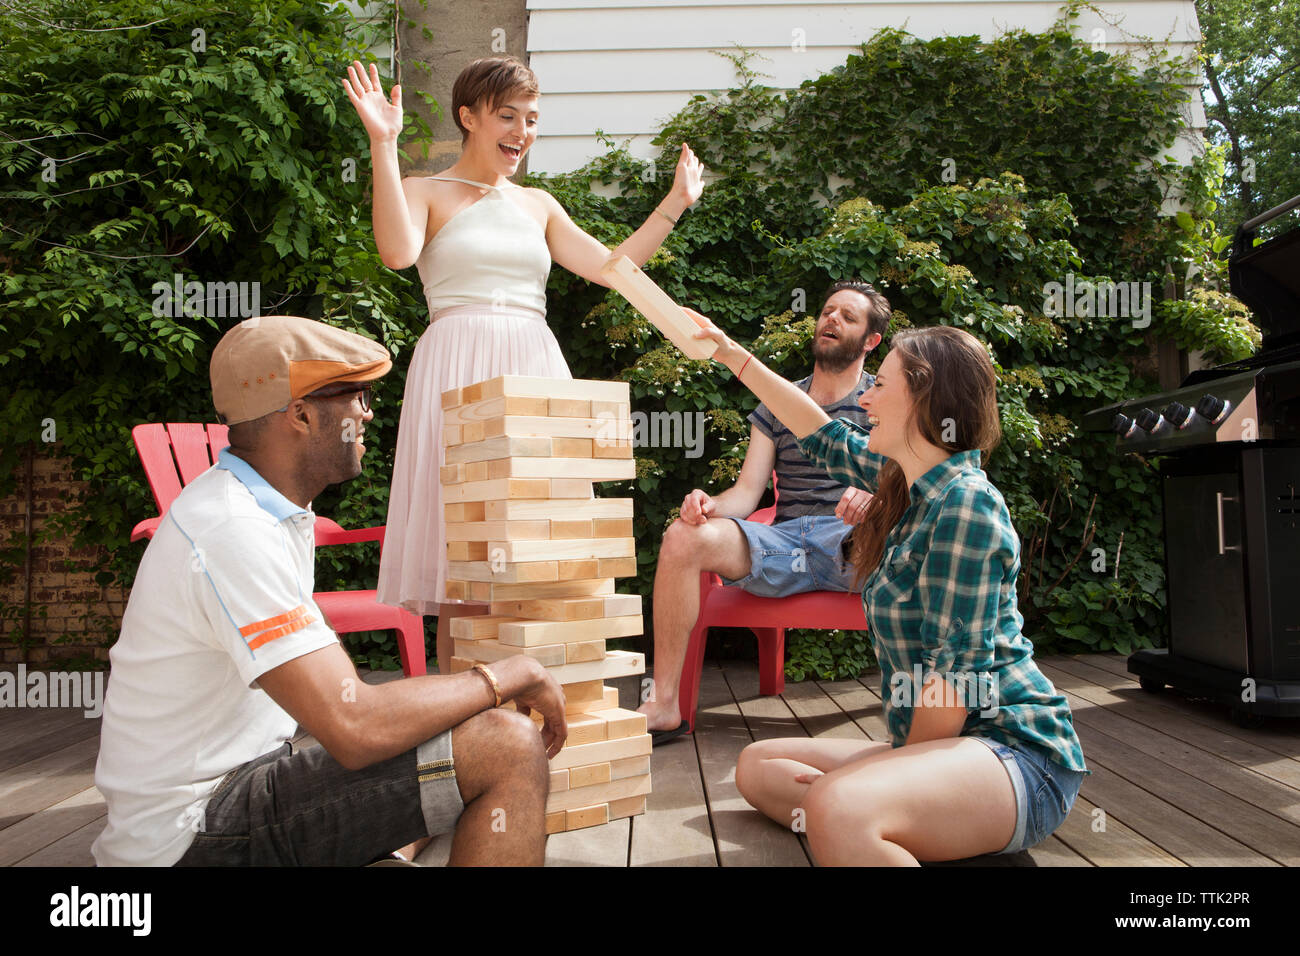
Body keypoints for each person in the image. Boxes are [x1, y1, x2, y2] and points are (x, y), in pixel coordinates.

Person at [92, 316, 568, 867]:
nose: (367, 412)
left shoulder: (268, 507)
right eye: (357, 396)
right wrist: (514, 673)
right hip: (194, 835)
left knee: (437, 772)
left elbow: (352, 716)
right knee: (505, 746)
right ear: (300, 413)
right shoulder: (232, 531)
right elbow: (355, 724)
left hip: (245, 787)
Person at [342, 57, 705, 672]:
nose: (523, 130)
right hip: (457, 367)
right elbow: (397, 253)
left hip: (534, 367)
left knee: (538, 540)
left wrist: (674, 202)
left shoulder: (538, 204)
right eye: (508, 115)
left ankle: (536, 706)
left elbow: (612, 271)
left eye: (532, 119)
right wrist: (384, 143)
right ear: (469, 117)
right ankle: (459, 721)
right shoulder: (426, 189)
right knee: (465, 553)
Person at [684, 313, 1088, 865]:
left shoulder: (966, 503)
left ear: (922, 397)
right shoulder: (907, 480)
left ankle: (870, 822)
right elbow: (818, 433)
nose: (866, 398)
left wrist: (875, 786)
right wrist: (732, 353)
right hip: (933, 748)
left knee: (835, 809)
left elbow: (955, 685)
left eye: (880, 384)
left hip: (1012, 752)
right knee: (758, 767)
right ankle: (900, 829)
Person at [637, 282, 891, 741]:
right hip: (784, 542)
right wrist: (710, 506)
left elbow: (915, 479)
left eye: (848, 316)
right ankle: (664, 706)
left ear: (872, 340)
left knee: (909, 541)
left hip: (855, 545)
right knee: (682, 535)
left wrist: (882, 501)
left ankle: (924, 715)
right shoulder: (779, 399)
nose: (831, 319)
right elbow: (748, 493)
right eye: (827, 310)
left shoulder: (882, 400)